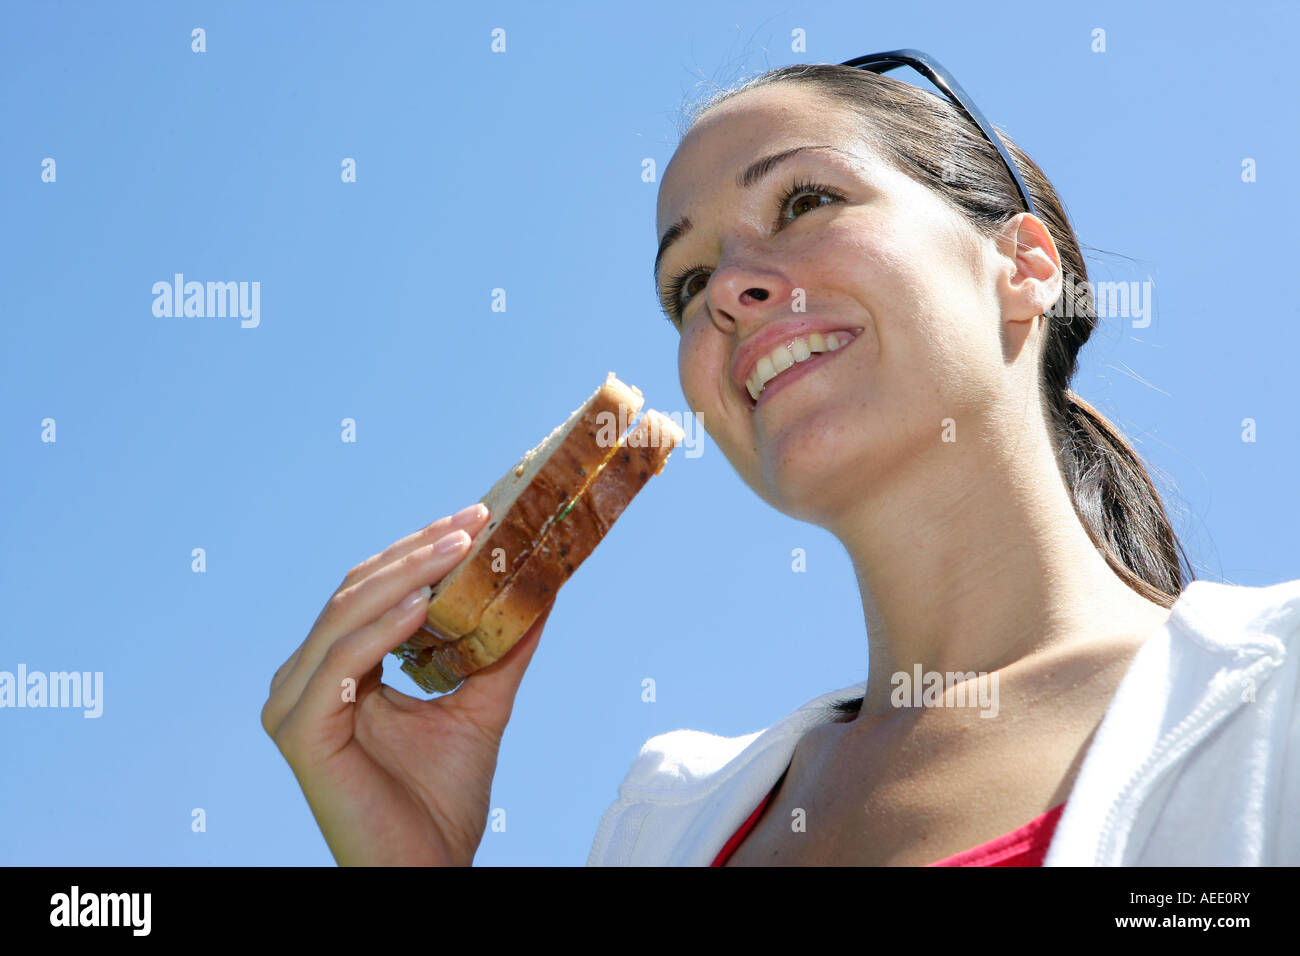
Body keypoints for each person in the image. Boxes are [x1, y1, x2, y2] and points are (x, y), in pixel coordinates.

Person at [262, 58, 1300, 866]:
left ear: (1023, 266)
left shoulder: (1271, 698)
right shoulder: (661, 817)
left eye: (804, 203)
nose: (730, 289)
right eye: (688, 280)